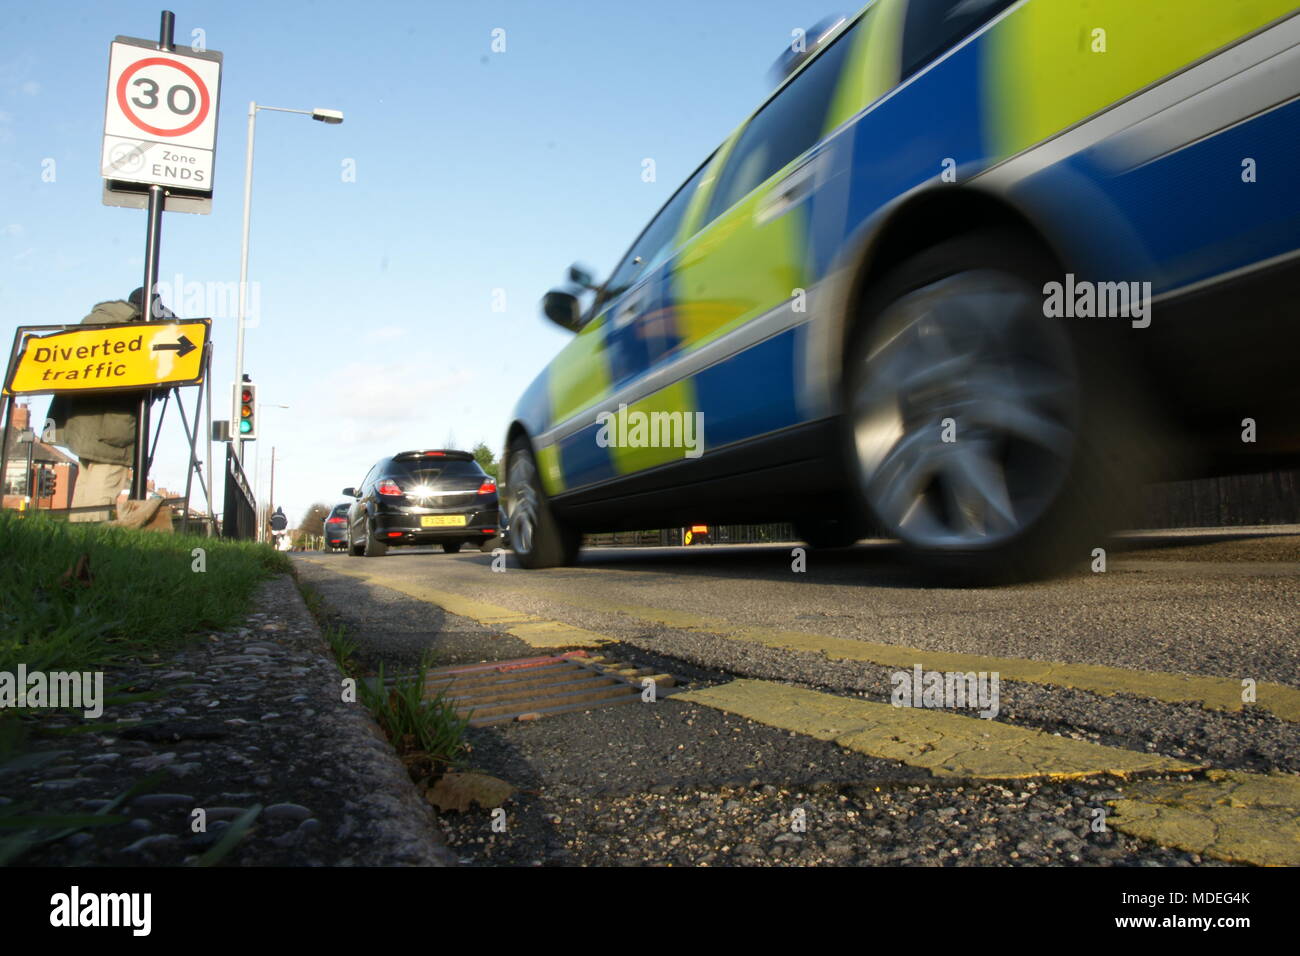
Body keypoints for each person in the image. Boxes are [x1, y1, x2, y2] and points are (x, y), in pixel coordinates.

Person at [46, 289, 168, 522]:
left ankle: (74, 547)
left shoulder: (97, 322)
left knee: (84, 485)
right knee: (101, 492)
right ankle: (93, 550)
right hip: (113, 428)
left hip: (81, 423)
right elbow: (142, 377)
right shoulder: (134, 332)